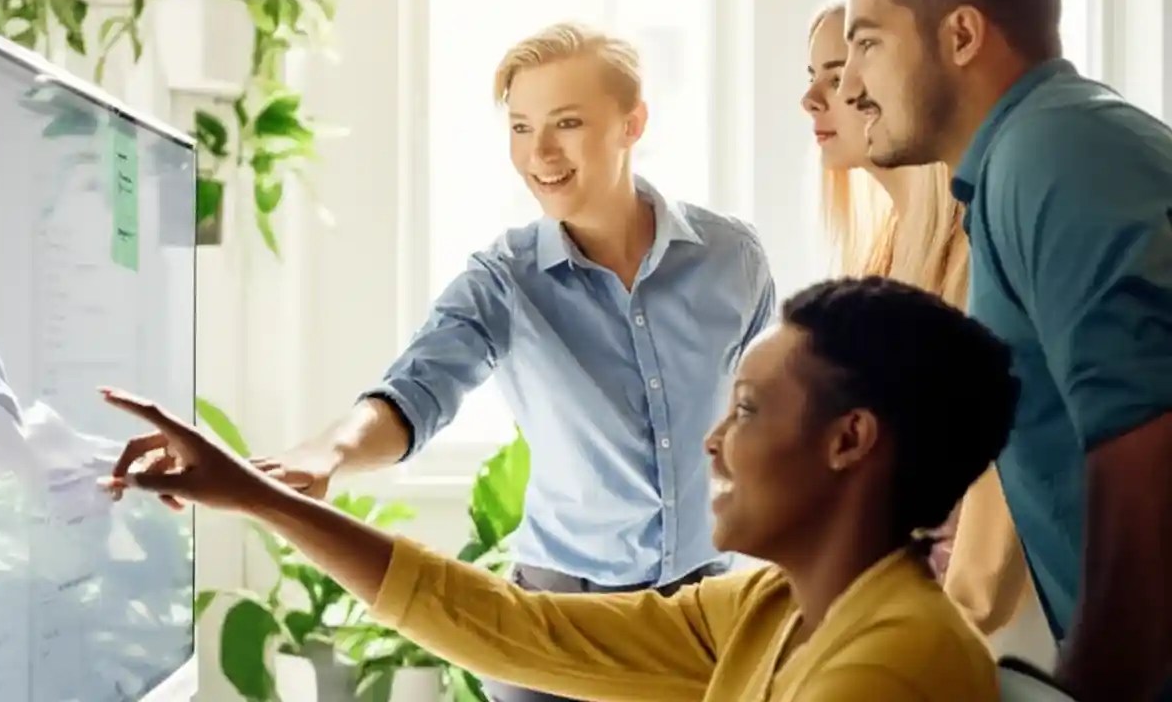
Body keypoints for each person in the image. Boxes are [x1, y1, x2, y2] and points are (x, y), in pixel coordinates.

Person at [101, 276, 1018, 701]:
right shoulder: (771, 607)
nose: (711, 439)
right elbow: (517, 628)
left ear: (848, 442)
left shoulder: (891, 669)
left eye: (744, 410)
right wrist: (265, 497)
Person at [235, 22, 773, 702]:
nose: (539, 153)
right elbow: (414, 392)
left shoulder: (734, 260)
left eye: (567, 123)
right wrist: (327, 454)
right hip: (555, 620)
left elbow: (766, 421)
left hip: (704, 612)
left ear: (633, 123)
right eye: (520, 127)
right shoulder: (504, 280)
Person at [838, 0, 1172, 699]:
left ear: (961, 37)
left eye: (866, 43)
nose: (849, 85)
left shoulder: (1057, 152)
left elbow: (1152, 438)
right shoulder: (1021, 165)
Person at [802, 0, 1033, 638]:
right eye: (813, 75)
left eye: (838, 69)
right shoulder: (881, 260)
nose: (817, 98)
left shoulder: (978, 259)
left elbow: (994, 532)